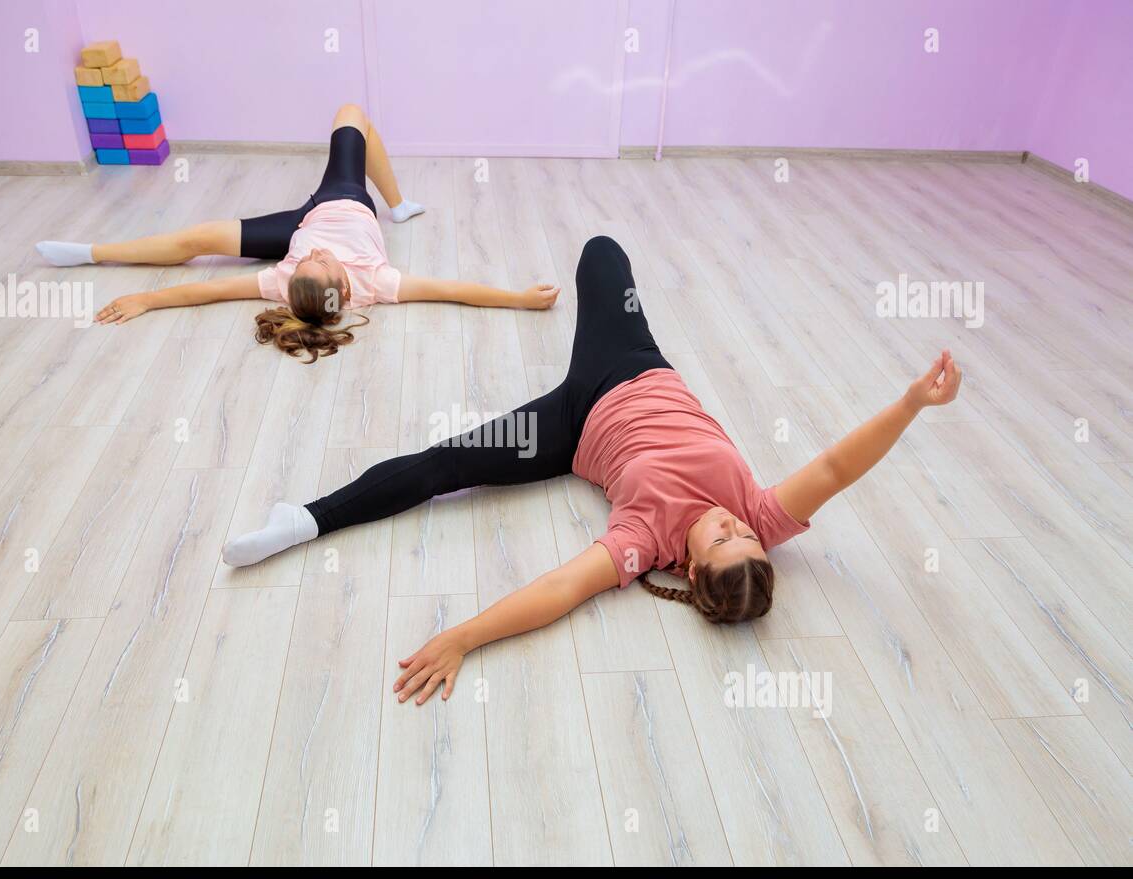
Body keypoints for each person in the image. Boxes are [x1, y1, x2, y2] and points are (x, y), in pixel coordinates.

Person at [222, 236, 961, 703]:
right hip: (632, 360)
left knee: (444, 465)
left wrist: (462, 639)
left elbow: (558, 589)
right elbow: (836, 467)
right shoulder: (763, 513)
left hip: (568, 429)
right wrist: (911, 404)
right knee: (603, 253)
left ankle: (303, 520)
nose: (735, 523)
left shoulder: (645, 544)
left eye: (722, 540)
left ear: (691, 571)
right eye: (747, 535)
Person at [37, 103, 559, 361]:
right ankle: (395, 206)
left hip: (301, 222)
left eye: (313, 259)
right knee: (353, 114)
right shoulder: (377, 282)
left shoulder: (287, 278)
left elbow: (206, 291)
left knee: (199, 240)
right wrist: (520, 299)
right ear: (343, 285)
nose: (322, 254)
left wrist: (148, 302)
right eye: (322, 260)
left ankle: (91, 251)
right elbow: (454, 291)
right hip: (347, 197)